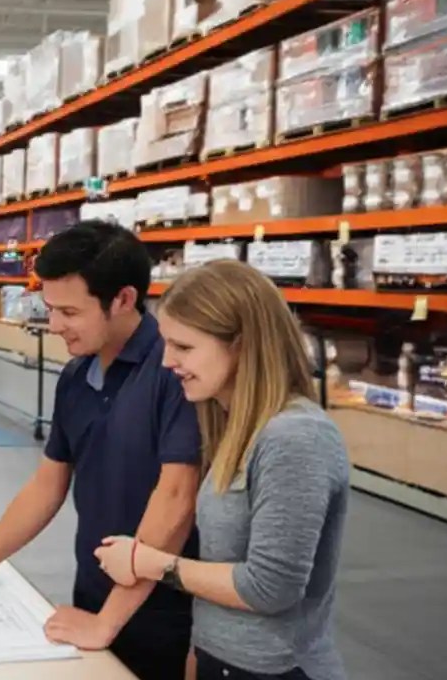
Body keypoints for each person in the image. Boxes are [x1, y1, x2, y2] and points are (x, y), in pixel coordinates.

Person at [0, 220, 200, 680]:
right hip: (94, 591)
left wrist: (109, 621)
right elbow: (47, 485)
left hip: (164, 606)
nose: (53, 325)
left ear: (122, 299)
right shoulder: (77, 378)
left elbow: (176, 502)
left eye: (70, 312)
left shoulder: (174, 372)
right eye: (50, 308)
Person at [95, 259, 350, 680]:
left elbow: (270, 588)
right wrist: (202, 651)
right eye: (166, 345)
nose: (167, 362)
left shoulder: (294, 437)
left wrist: (150, 562)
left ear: (242, 344)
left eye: (185, 347)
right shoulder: (234, 427)